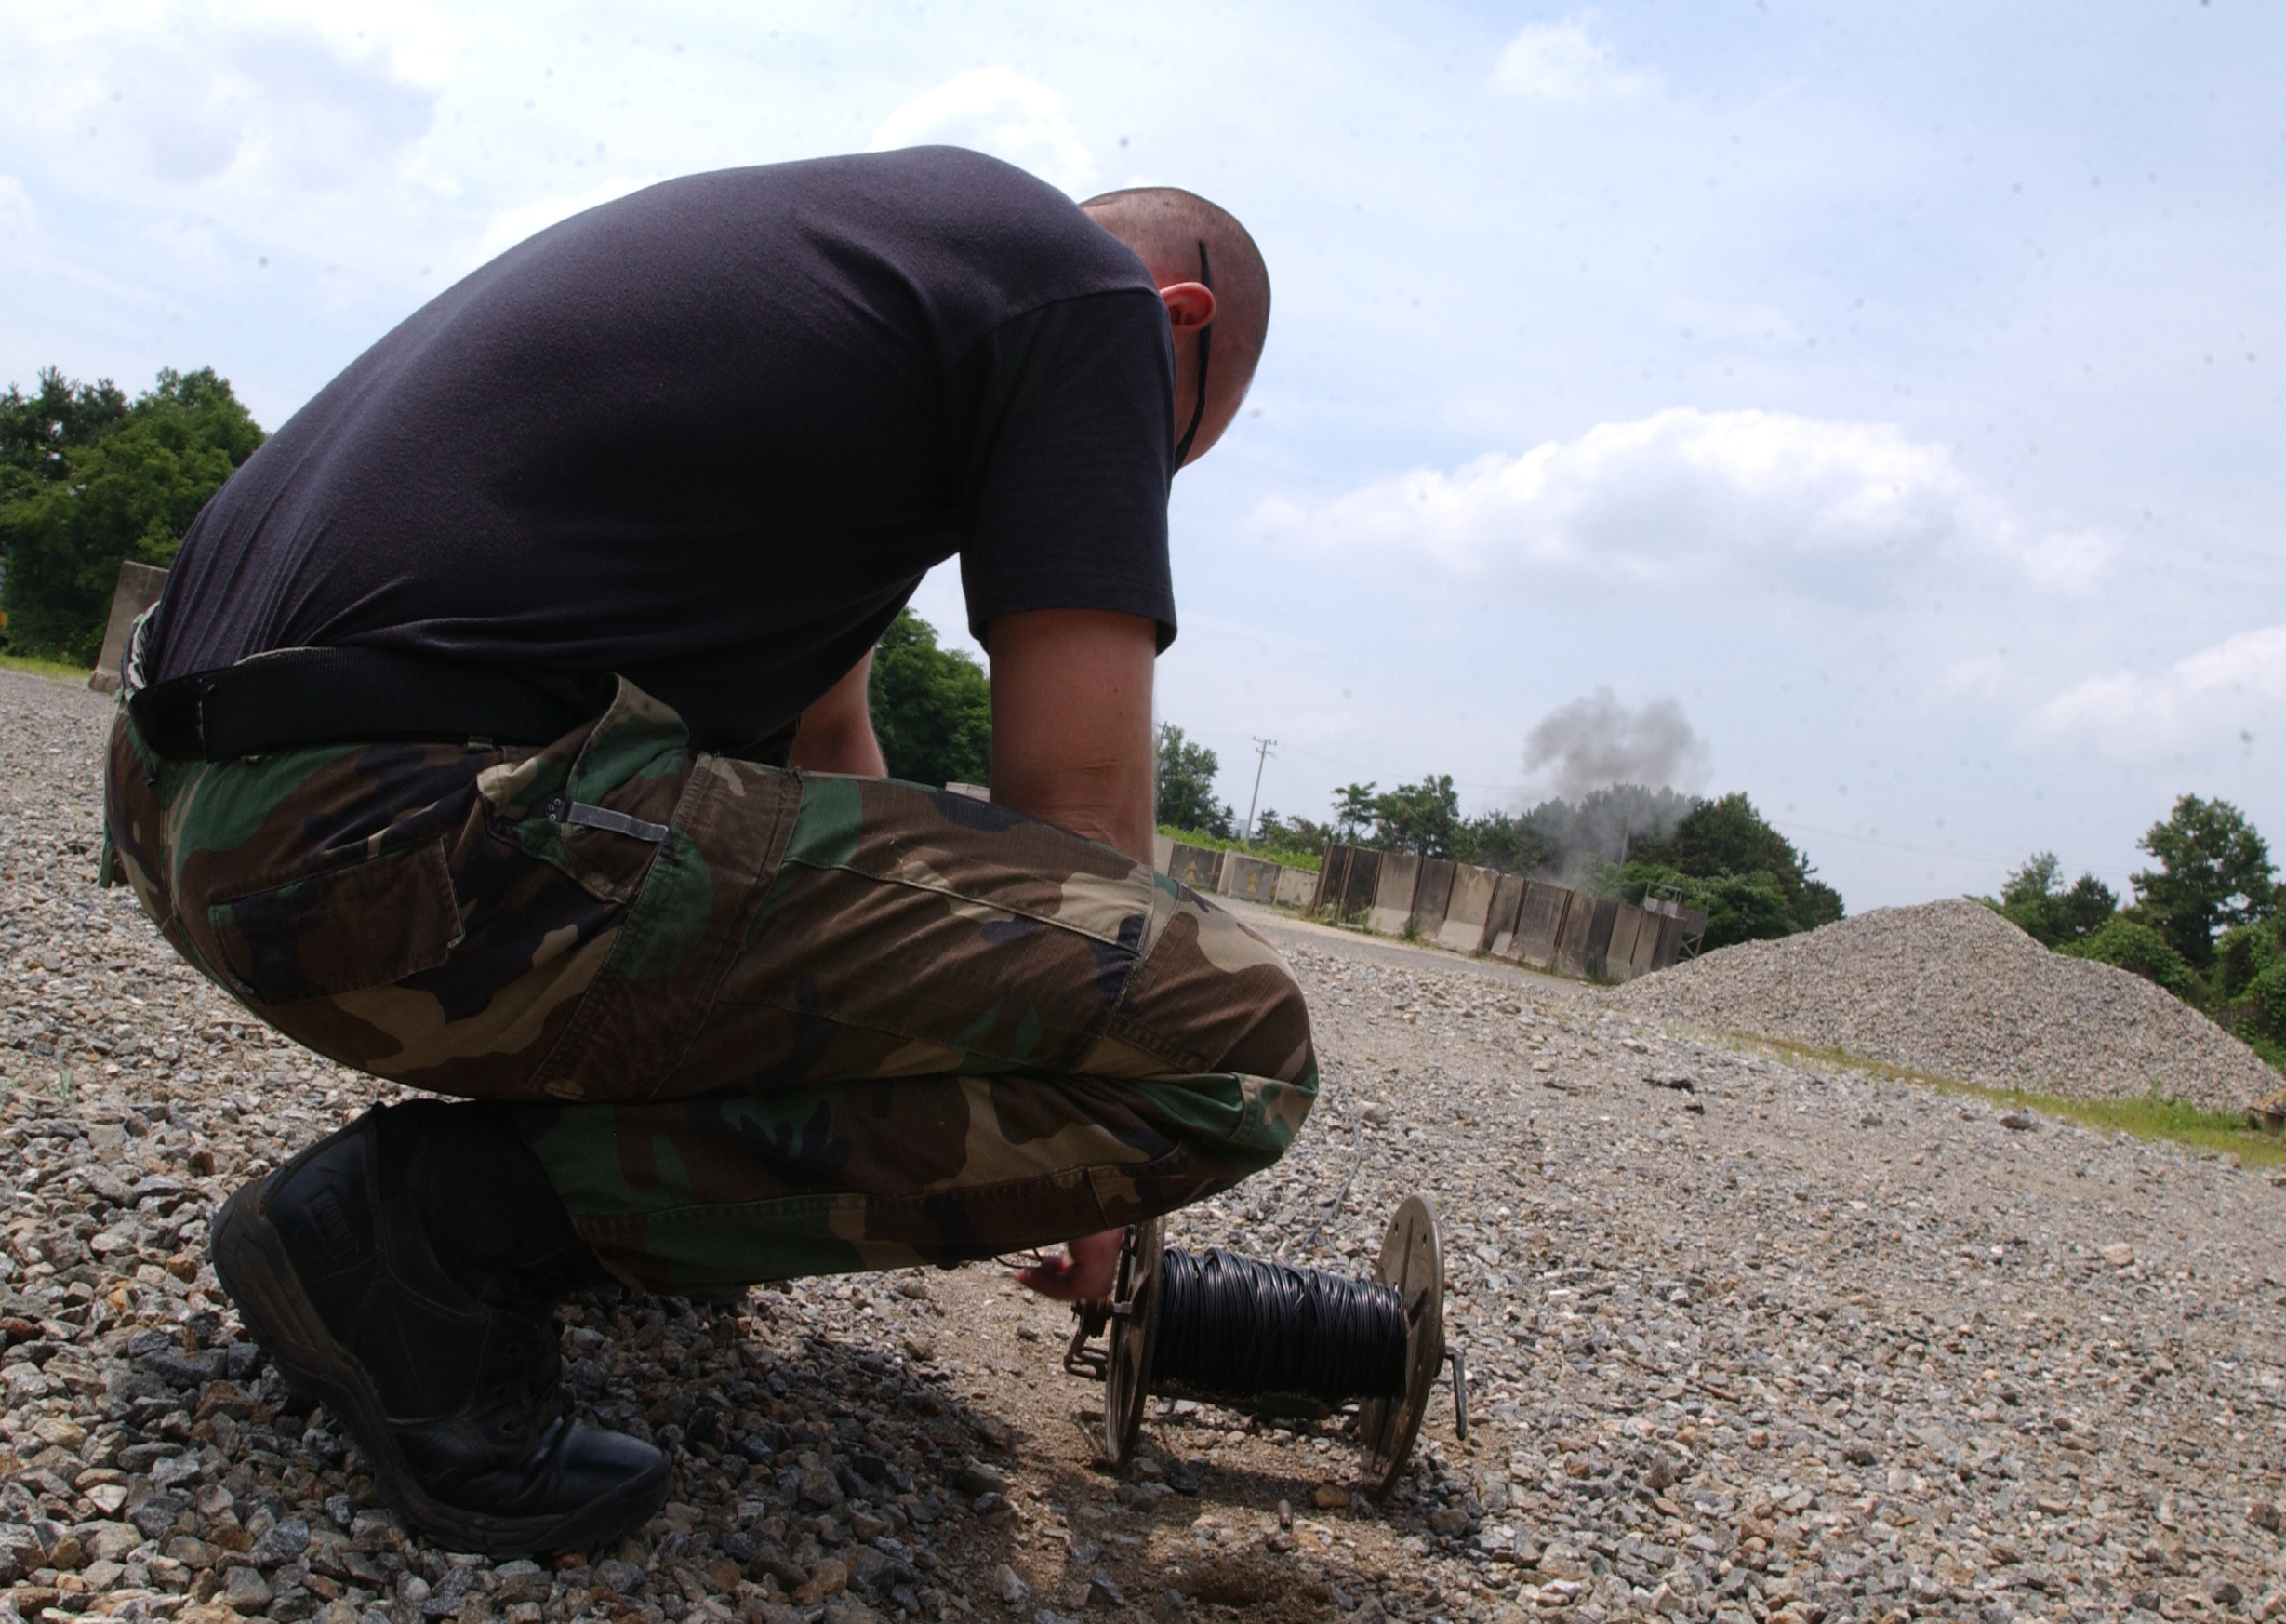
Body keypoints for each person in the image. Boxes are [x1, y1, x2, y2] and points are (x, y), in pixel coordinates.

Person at [100, 147, 1313, 1557]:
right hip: (383, 847)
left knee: (911, 927)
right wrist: (1114, 1152)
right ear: (1180, 317)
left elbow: (827, 754)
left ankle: (549, 1206)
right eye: (1165, 449)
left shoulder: (880, 292)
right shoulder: (1092, 299)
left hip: (189, 807)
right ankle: (430, 1233)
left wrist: (899, 1025)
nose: (1130, 476)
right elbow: (1084, 820)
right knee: (1229, 1037)